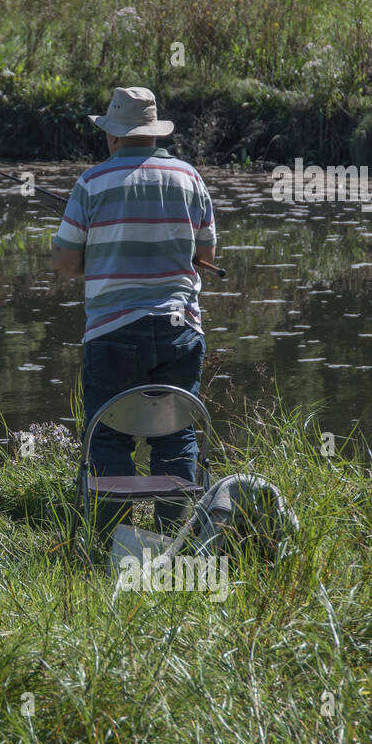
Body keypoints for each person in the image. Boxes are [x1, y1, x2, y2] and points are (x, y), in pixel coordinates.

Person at [51, 86, 217, 557]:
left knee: (108, 436)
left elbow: (65, 261)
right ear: (152, 134)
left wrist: (98, 259)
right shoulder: (189, 178)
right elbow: (206, 255)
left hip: (111, 333)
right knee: (176, 435)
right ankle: (173, 543)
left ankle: (111, 546)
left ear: (114, 137)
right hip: (179, 330)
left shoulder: (91, 183)